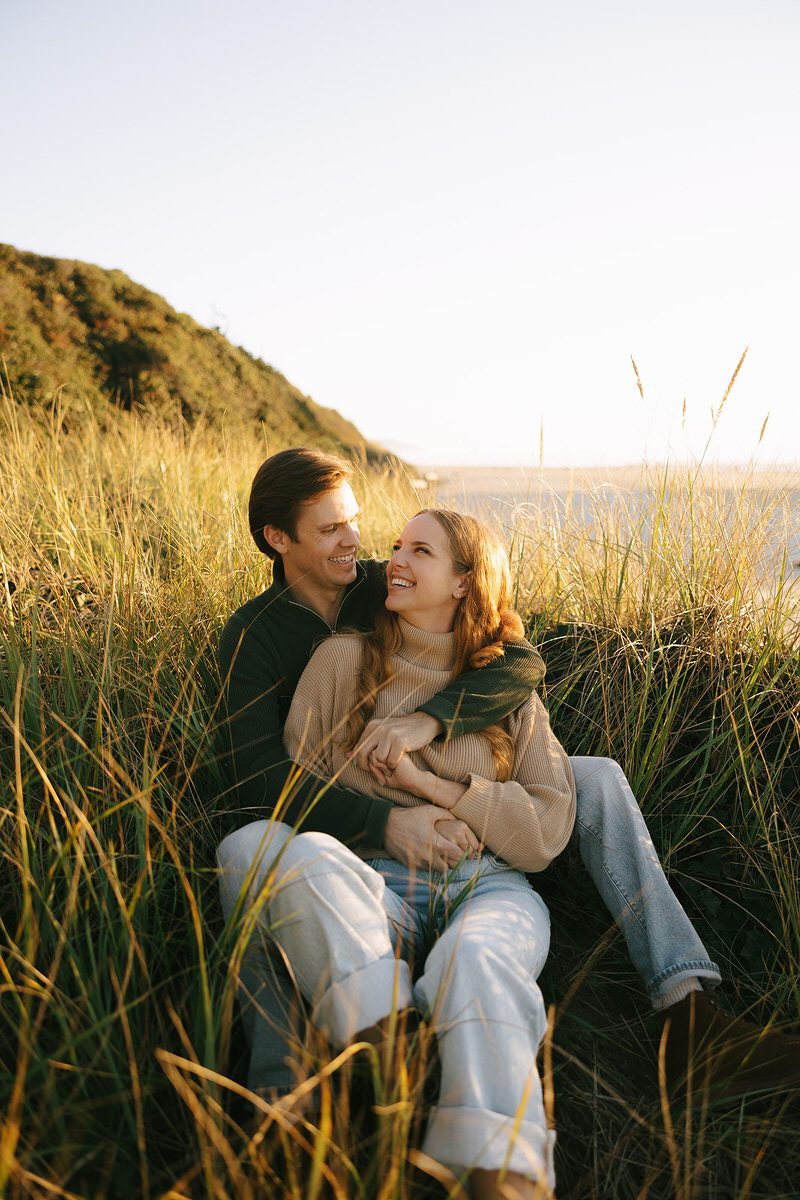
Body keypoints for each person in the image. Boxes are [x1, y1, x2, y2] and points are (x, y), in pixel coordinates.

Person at [216, 448, 800, 1117]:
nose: (355, 539)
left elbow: (518, 660)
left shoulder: (379, 580)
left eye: (352, 520)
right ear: (278, 538)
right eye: (329, 529)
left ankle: (687, 1013)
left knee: (597, 780)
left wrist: (431, 722)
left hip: (449, 781)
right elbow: (260, 779)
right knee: (251, 852)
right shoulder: (256, 635)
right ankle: (288, 1079)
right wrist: (387, 824)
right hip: (353, 813)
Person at [228, 509, 575, 1196]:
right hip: (374, 890)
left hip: (489, 886)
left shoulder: (508, 690)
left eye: (420, 551)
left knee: (478, 960)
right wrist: (395, 821)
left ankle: (503, 1171)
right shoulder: (341, 660)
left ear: (464, 581)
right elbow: (300, 796)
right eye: (395, 547)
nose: (395, 560)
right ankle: (390, 1047)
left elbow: (545, 833)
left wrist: (430, 785)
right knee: (258, 850)